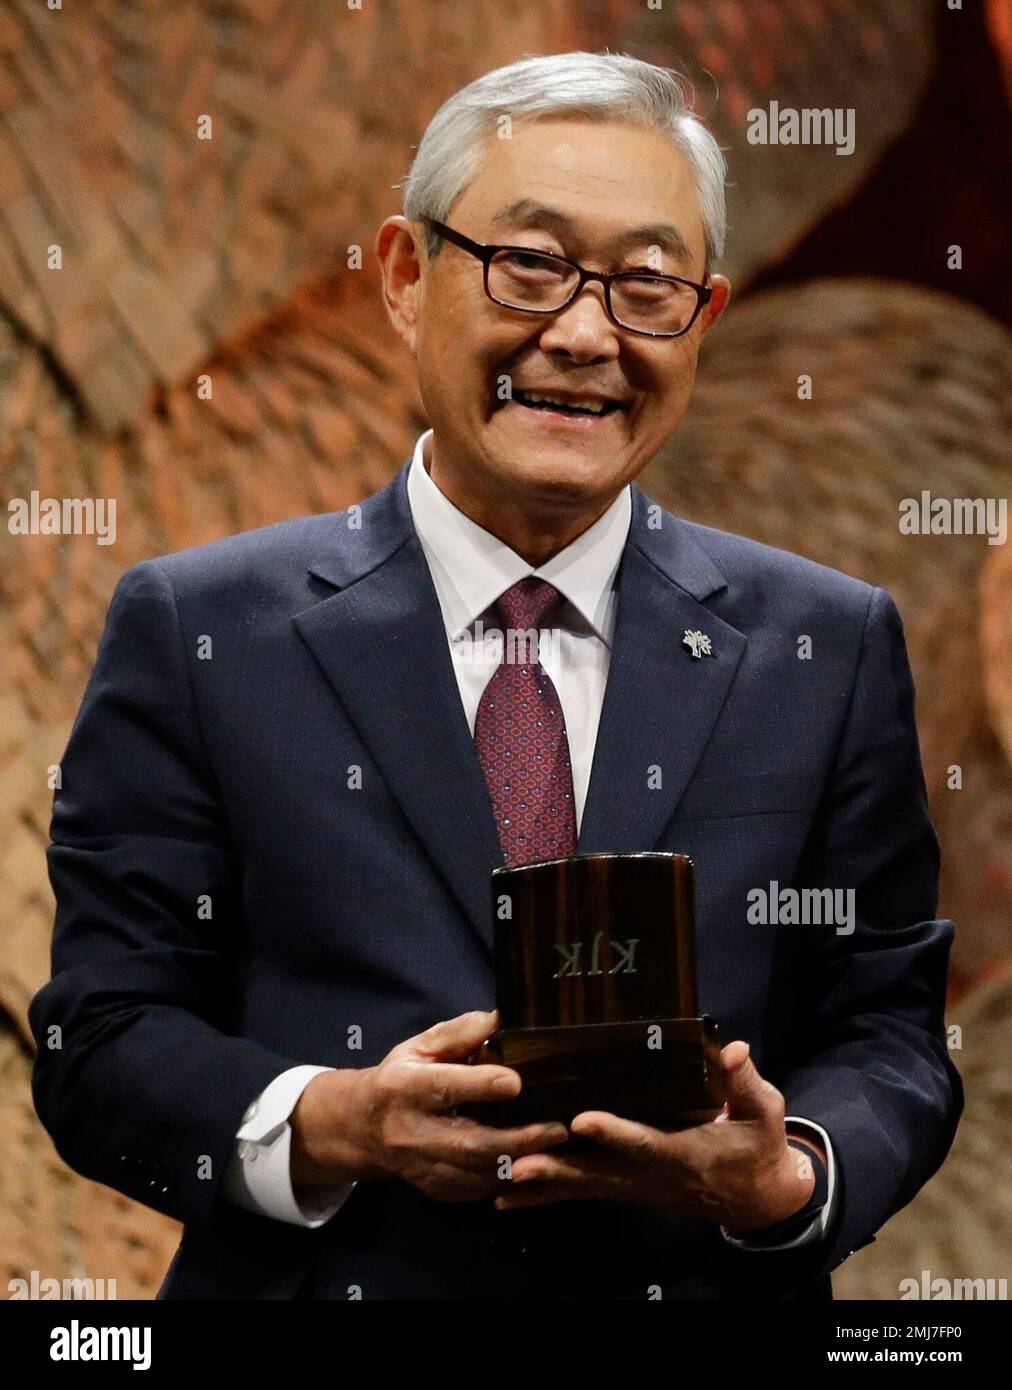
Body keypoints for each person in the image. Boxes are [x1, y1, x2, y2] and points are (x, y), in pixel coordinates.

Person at [29, 51, 962, 1300]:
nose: (584, 335)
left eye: (644, 284)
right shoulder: (203, 629)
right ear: (408, 277)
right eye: (529, 265)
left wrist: (789, 1172)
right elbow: (100, 1041)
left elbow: (890, 1032)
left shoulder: (825, 644)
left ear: (705, 320)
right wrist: (336, 1121)